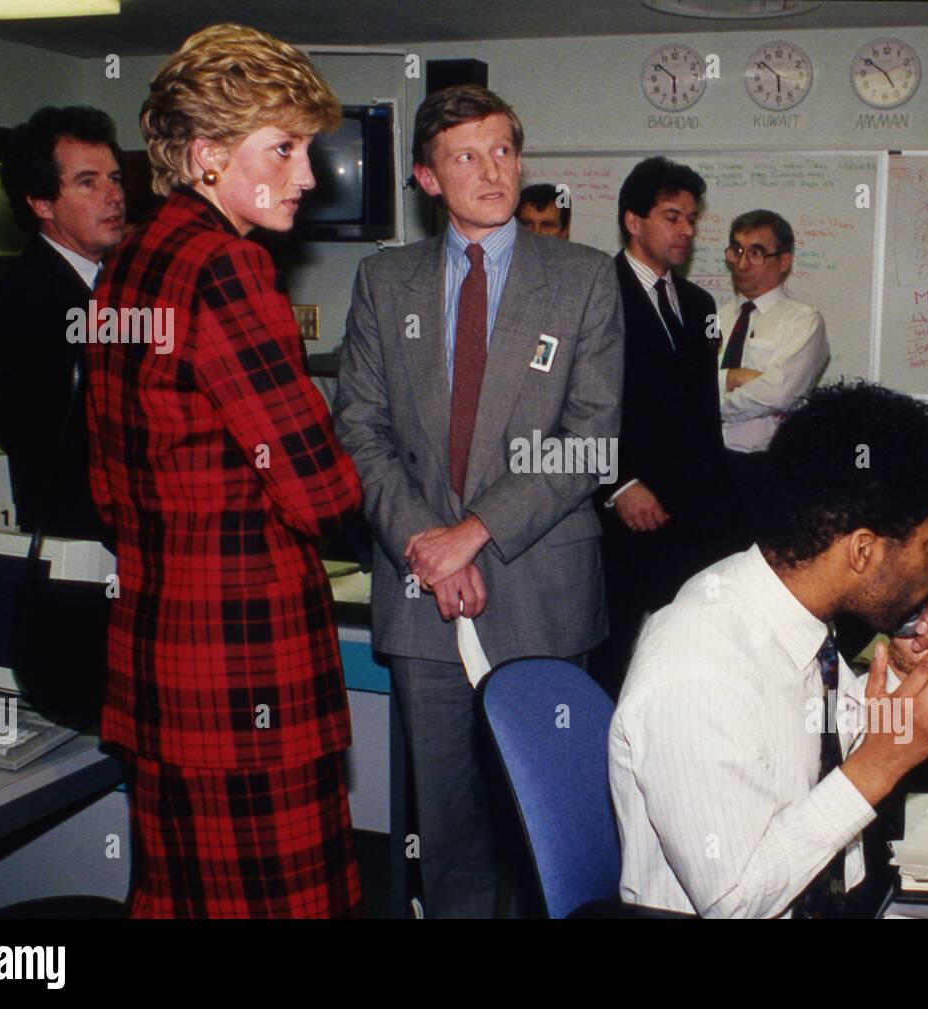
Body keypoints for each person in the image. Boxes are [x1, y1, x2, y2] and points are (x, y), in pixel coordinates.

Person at [84, 23, 365, 918]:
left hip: (158, 658)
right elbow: (321, 489)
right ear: (206, 157)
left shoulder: (123, 265)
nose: (308, 176)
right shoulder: (229, 266)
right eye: (283, 149)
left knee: (179, 900)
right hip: (248, 665)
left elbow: (105, 480)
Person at [334, 85, 623, 917]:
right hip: (422, 595)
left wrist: (473, 532)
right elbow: (358, 428)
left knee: (551, 831)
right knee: (447, 831)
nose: (492, 171)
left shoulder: (582, 280)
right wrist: (428, 540)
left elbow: (591, 439)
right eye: (465, 156)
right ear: (426, 177)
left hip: (540, 590)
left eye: (503, 150)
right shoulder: (384, 282)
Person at [609, 381, 928, 918]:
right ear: (862, 549)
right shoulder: (697, 669)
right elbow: (734, 902)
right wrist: (882, 765)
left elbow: (828, 746)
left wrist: (906, 677)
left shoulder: (791, 610)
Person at [591, 156, 729, 698]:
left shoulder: (699, 303)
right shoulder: (594, 293)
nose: (687, 231)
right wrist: (617, 484)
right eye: (672, 217)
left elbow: (703, 412)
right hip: (618, 522)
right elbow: (566, 411)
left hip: (691, 521)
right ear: (633, 220)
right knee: (613, 662)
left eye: (691, 219)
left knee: (683, 668)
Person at [0, 106, 126, 538]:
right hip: (73, 533)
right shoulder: (26, 295)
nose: (113, 196)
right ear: (41, 202)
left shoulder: (123, 282)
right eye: (88, 182)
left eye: (115, 178)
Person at [717, 209, 829, 543]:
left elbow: (779, 392)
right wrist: (735, 377)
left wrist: (709, 403)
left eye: (756, 252)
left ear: (783, 262)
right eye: (736, 250)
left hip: (762, 468)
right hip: (708, 463)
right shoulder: (713, 317)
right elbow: (687, 382)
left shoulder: (803, 321)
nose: (742, 262)